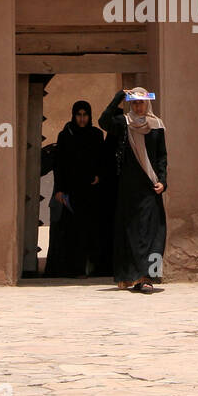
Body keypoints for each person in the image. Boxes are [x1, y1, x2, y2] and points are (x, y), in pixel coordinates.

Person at [101, 87, 167, 293]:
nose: (139, 106)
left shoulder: (156, 126)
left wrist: (163, 181)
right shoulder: (123, 123)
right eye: (135, 102)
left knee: (153, 232)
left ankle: (148, 277)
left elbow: (162, 156)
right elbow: (103, 121)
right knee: (131, 233)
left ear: (147, 103)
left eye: (142, 102)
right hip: (129, 188)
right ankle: (132, 276)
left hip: (150, 187)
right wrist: (119, 96)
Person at [45, 101, 102, 278]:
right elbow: (60, 164)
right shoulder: (66, 135)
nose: (82, 118)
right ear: (74, 115)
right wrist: (59, 190)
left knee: (92, 229)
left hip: (91, 191)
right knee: (72, 231)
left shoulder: (96, 134)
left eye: (85, 115)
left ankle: (93, 268)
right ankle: (74, 269)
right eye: (79, 114)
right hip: (71, 192)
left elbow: (102, 158)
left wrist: (99, 175)